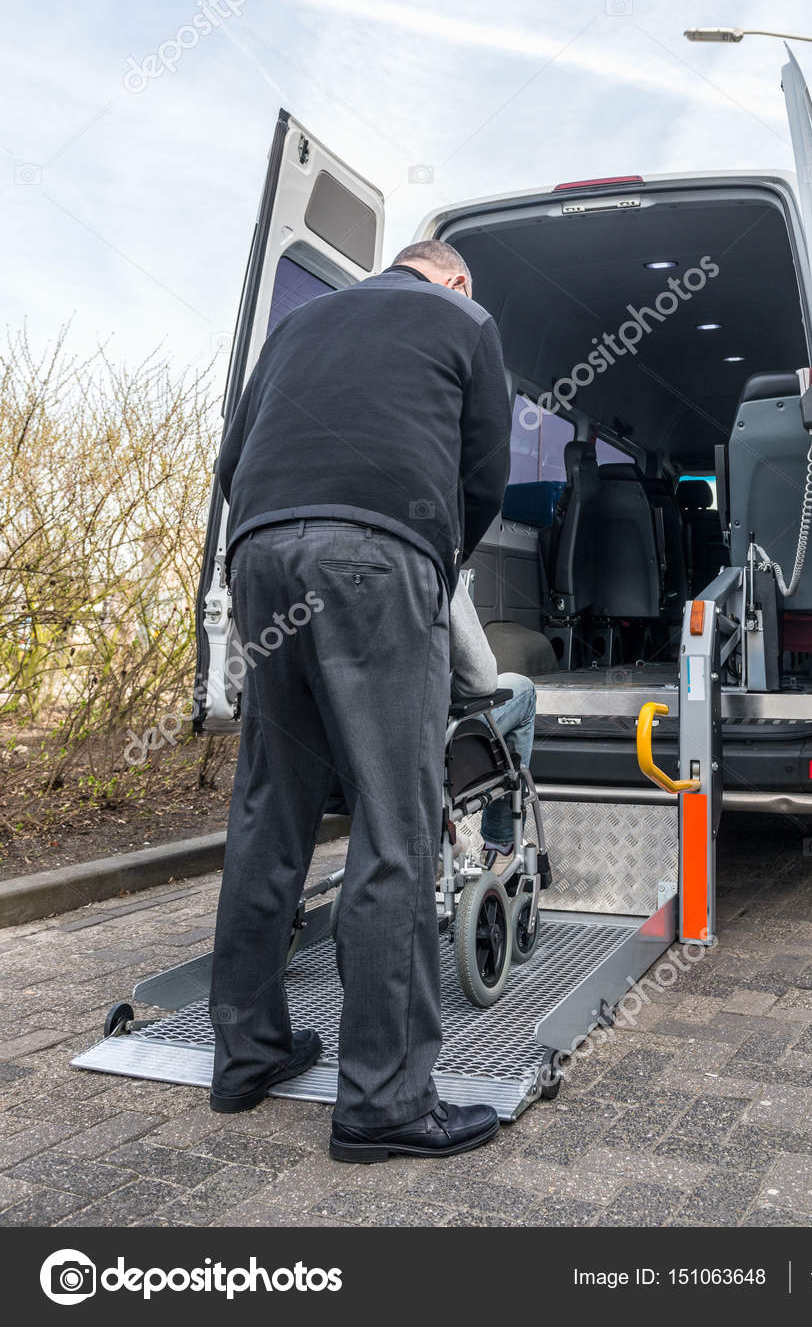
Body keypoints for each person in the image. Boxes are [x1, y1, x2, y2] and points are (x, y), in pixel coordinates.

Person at [208, 239, 511, 1165]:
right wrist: (429, 567)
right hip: (375, 561)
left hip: (260, 554)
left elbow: (231, 461)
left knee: (270, 813)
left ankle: (247, 1058)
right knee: (396, 823)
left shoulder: (298, 322)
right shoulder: (466, 320)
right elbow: (485, 474)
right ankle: (384, 1103)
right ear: (452, 277)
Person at [449, 572, 536, 860]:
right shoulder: (432, 561)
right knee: (522, 689)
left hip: (350, 754)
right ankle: (501, 843)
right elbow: (480, 681)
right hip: (428, 746)